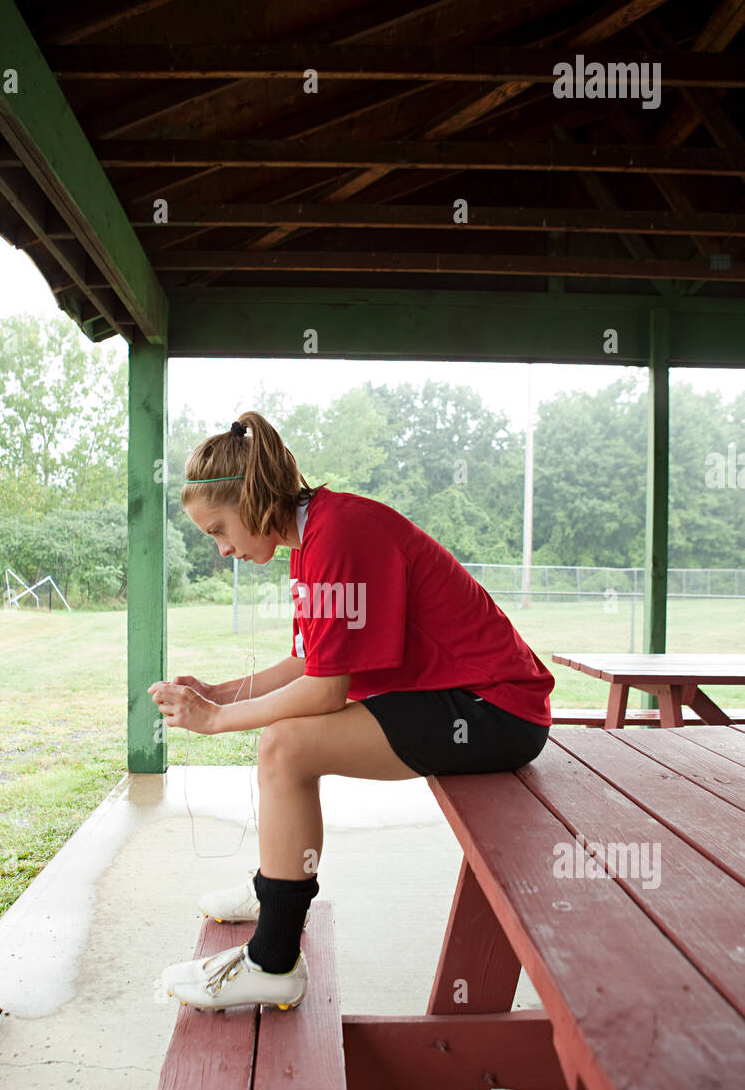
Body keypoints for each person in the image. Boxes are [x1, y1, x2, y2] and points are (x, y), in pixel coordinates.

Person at [150, 410, 554, 1012]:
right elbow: (305, 663)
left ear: (252, 499)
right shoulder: (313, 537)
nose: (222, 549)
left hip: (496, 710)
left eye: (219, 529)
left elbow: (324, 693)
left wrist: (213, 721)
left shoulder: (338, 533)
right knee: (286, 743)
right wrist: (219, 693)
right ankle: (275, 886)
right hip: (465, 701)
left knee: (285, 745)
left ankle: (272, 961)